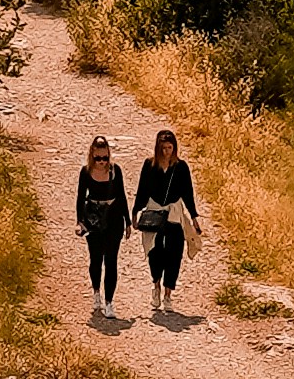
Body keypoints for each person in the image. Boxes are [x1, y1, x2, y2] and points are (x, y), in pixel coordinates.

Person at [133, 127, 202, 314]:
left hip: (173, 213)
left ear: (174, 148)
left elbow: (188, 194)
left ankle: (168, 294)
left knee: (174, 253)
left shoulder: (181, 167)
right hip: (154, 210)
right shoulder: (150, 165)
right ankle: (156, 285)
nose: (166, 152)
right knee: (155, 251)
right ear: (158, 148)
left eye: (169, 148)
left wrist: (194, 218)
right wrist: (135, 213)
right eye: (163, 148)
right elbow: (142, 189)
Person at [76, 136, 128, 315]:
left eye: (105, 158)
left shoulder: (115, 171)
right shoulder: (85, 172)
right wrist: (80, 221)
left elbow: (122, 195)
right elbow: (80, 198)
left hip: (113, 218)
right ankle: (96, 291)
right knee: (96, 259)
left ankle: (109, 302)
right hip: (94, 219)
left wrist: (127, 221)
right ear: (92, 156)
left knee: (111, 261)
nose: (101, 162)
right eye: (98, 158)